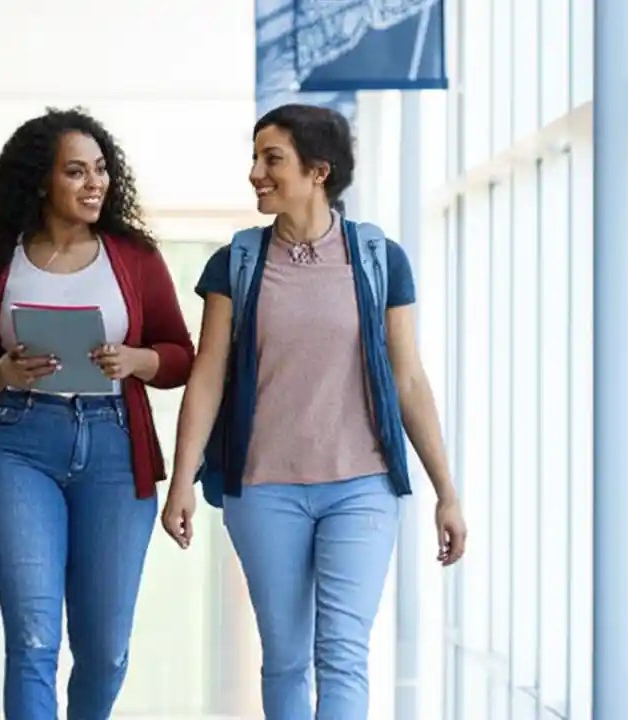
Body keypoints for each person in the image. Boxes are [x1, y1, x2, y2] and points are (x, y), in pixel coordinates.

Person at [161, 103, 468, 719]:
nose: (255, 172)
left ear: (318, 171)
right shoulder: (237, 262)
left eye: (272, 159)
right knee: (284, 658)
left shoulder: (381, 259)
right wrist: (182, 481)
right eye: (255, 158)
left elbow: (408, 378)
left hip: (361, 485)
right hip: (263, 488)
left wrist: (446, 491)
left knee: (343, 654)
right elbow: (208, 376)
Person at [0, 108, 194, 719]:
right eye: (75, 172)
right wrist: (1, 372)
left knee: (105, 650)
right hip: (15, 444)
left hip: (114, 445)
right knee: (32, 639)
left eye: (100, 170)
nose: (93, 184)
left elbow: (182, 357)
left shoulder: (133, 256)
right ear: (41, 182)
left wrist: (135, 359)